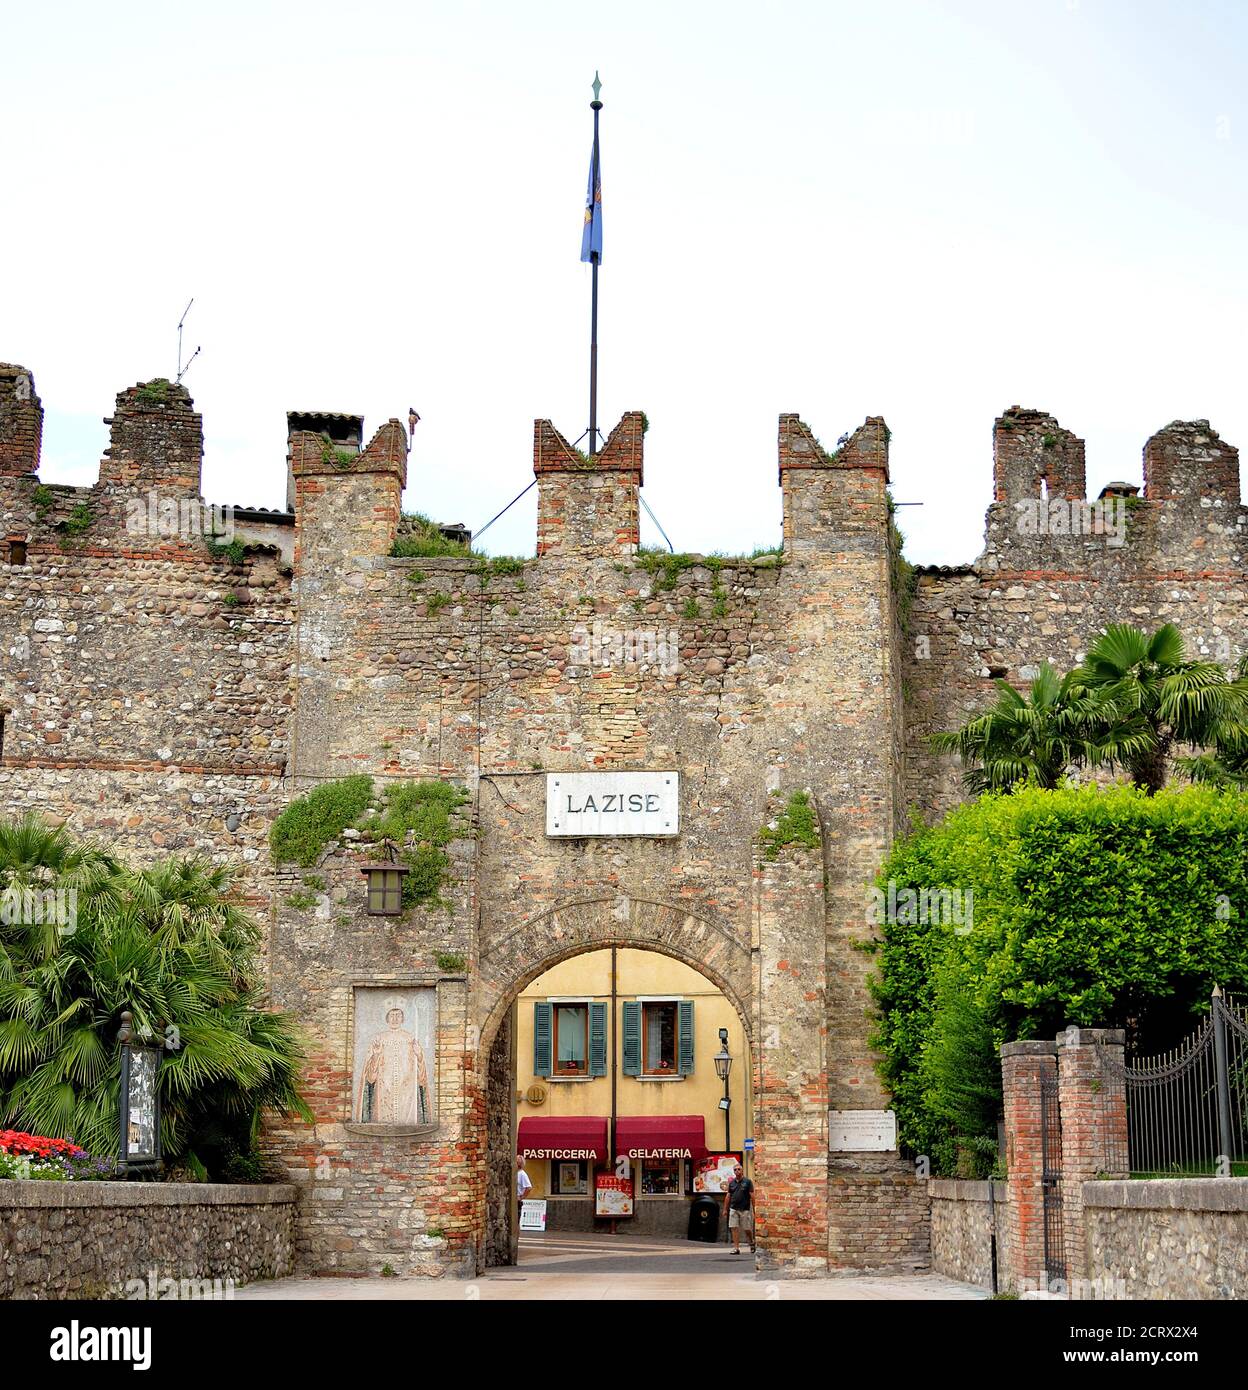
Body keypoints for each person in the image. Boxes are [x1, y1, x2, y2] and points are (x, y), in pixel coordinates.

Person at [723, 1162, 755, 1255]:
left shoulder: (747, 1182)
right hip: (733, 1208)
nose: (737, 1171)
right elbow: (728, 1196)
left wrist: (754, 1208)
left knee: (747, 1228)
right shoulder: (732, 1183)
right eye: (735, 1170)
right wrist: (725, 1209)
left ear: (742, 1170)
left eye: (738, 1169)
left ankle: (751, 1243)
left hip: (745, 1209)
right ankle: (736, 1248)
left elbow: (752, 1196)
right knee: (734, 1228)